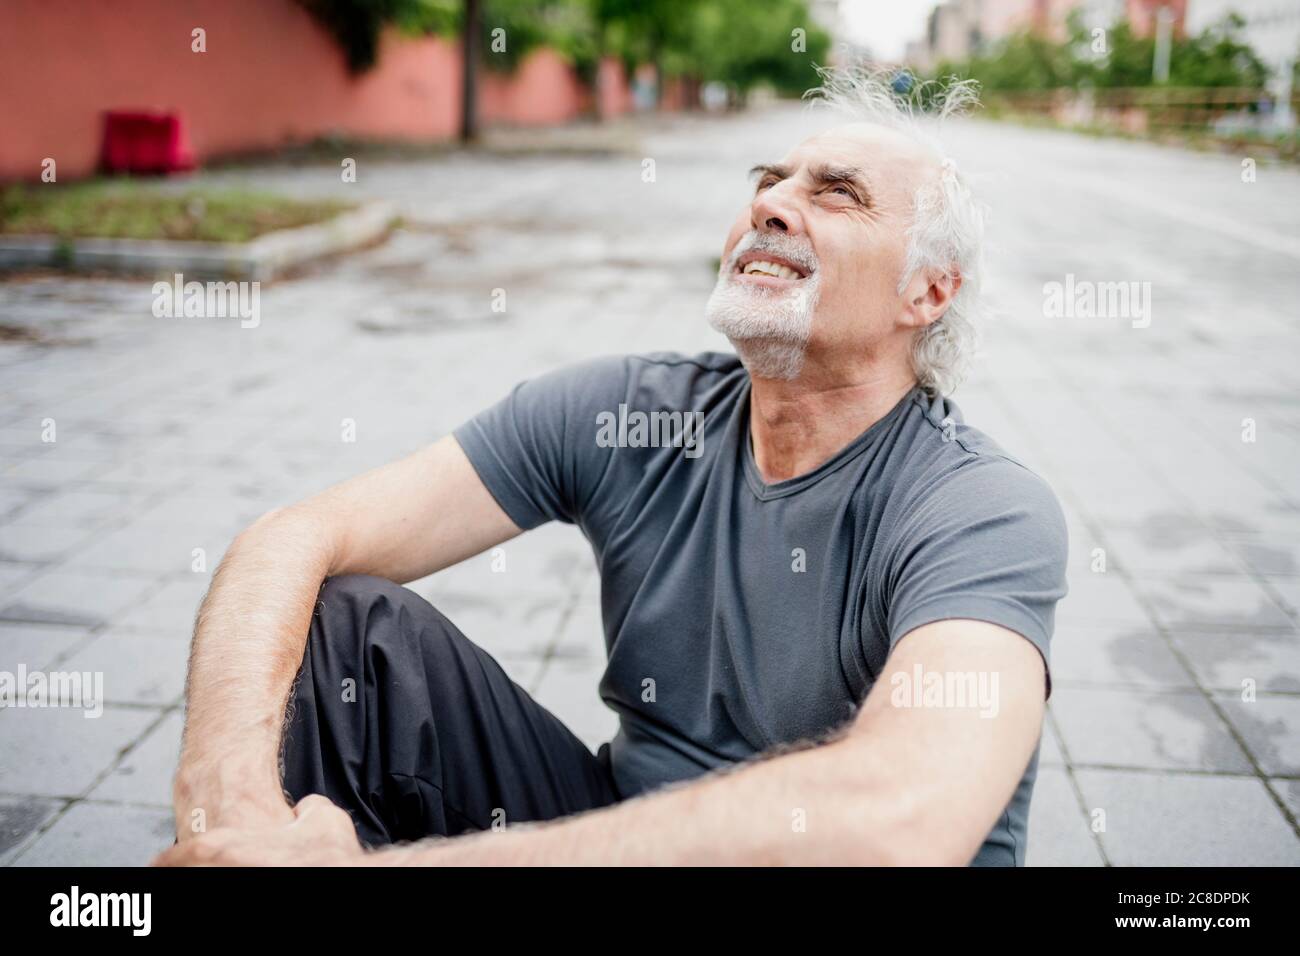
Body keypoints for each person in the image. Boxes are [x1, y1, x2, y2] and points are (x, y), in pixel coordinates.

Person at [157, 68, 1068, 867]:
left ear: (930, 290)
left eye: (837, 194)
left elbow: (902, 823)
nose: (770, 203)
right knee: (350, 623)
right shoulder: (631, 415)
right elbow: (294, 536)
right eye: (767, 180)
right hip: (627, 828)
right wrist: (225, 796)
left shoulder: (978, 509)